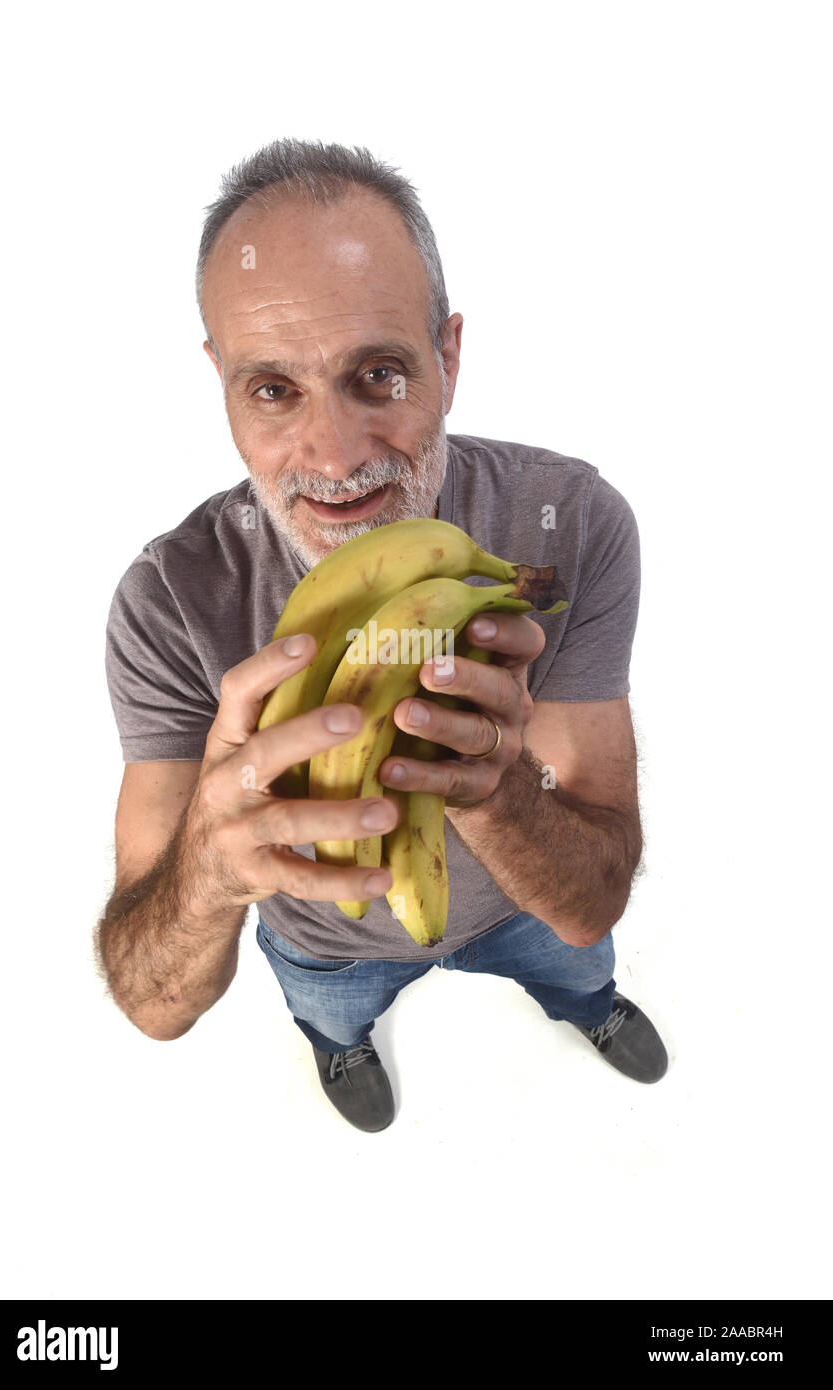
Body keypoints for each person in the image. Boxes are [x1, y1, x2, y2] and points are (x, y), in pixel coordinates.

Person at [96, 138, 668, 1132]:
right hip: (330, 944)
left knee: (577, 961)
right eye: (272, 389)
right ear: (218, 378)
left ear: (447, 357)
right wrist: (212, 868)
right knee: (329, 1005)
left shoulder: (568, 522)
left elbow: (588, 899)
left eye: (377, 374)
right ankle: (338, 1041)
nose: (334, 456)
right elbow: (154, 1005)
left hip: (526, 915)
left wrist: (497, 793)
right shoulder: (166, 602)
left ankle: (586, 1007)